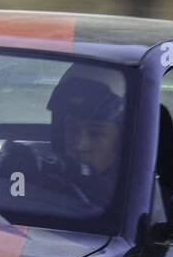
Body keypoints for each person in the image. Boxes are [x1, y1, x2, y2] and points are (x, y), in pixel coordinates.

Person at [38, 72, 125, 208]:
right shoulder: (39, 172)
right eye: (72, 129)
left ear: (120, 141)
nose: (80, 145)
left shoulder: (135, 196)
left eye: (95, 133)